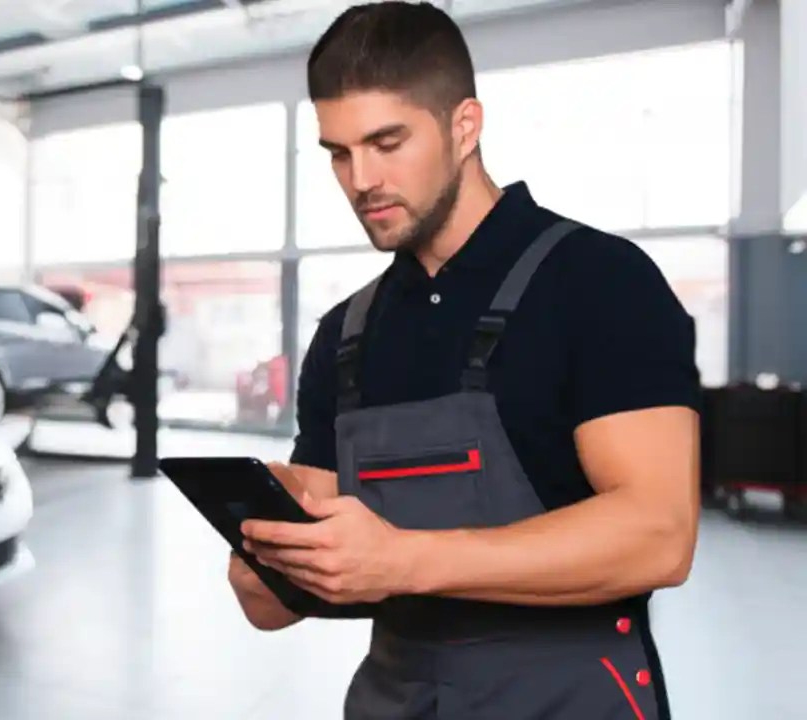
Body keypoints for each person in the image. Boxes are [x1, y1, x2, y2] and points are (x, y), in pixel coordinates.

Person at [232, 3, 701, 719]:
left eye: (387, 142)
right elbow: (286, 600)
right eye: (339, 153)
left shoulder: (599, 282)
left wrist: (404, 559)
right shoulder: (345, 336)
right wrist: (268, 564)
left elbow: (659, 536)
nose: (361, 179)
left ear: (465, 126)